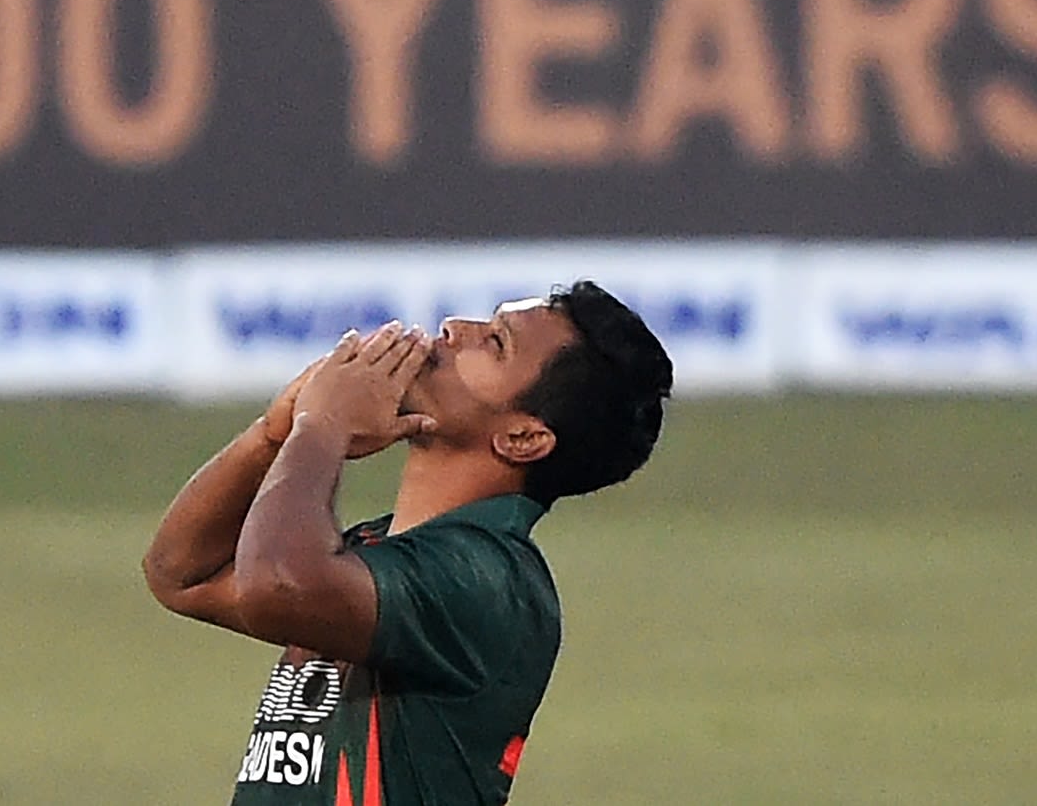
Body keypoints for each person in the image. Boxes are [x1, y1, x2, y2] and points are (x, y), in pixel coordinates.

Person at [143, 280, 673, 805]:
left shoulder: (491, 580)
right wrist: (272, 435)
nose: (455, 328)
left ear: (523, 438)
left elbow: (276, 584)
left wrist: (323, 425)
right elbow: (181, 576)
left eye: (494, 343)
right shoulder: (382, 549)